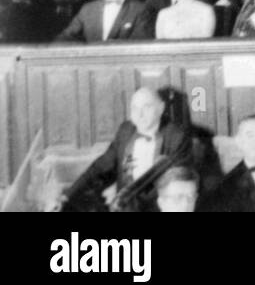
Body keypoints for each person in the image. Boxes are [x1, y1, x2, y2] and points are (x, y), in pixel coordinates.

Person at [61, 88, 193, 212]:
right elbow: (101, 167)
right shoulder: (126, 131)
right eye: (134, 108)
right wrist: (67, 196)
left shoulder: (176, 136)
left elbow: (175, 183)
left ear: (161, 108)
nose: (139, 114)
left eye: (146, 107)